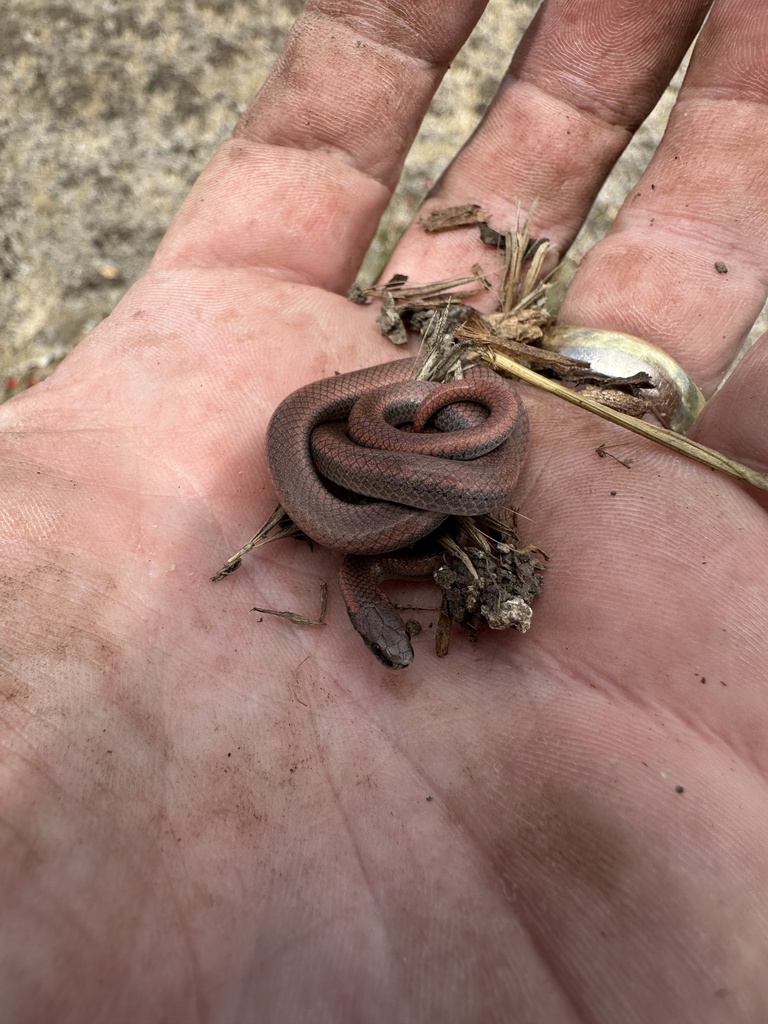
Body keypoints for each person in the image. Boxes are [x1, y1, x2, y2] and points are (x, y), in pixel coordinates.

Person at [2, 0, 767, 1019]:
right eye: (390, 638)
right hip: (401, 428)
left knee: (413, 463)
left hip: (408, 424)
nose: (392, 642)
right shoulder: (358, 514)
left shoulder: (371, 509)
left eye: (386, 639)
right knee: (402, 465)